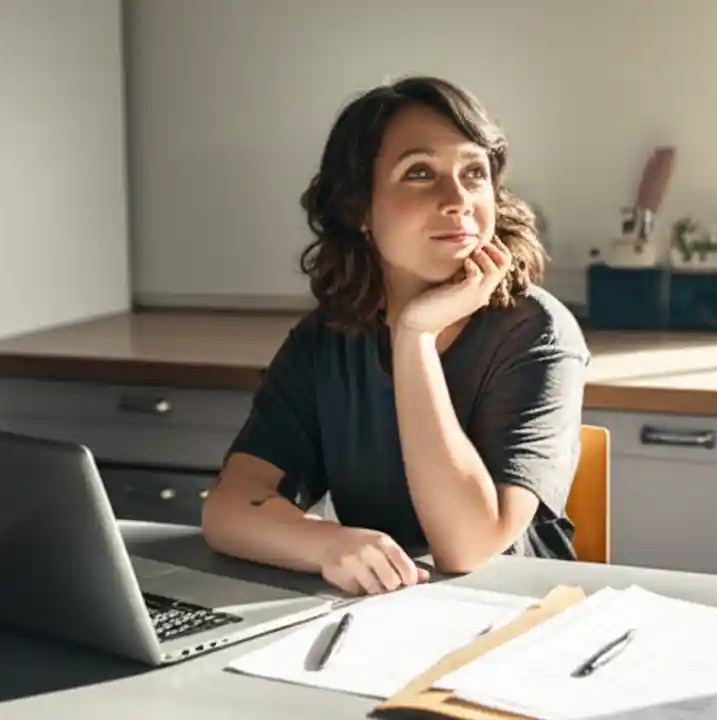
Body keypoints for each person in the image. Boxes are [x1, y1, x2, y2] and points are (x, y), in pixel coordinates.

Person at [201, 76, 589, 596]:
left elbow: (468, 546)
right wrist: (325, 544)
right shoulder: (328, 338)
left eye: (474, 173)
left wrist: (415, 337)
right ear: (359, 208)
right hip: (380, 612)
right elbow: (227, 508)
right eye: (420, 172)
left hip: (516, 616)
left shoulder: (537, 332)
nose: (458, 199)